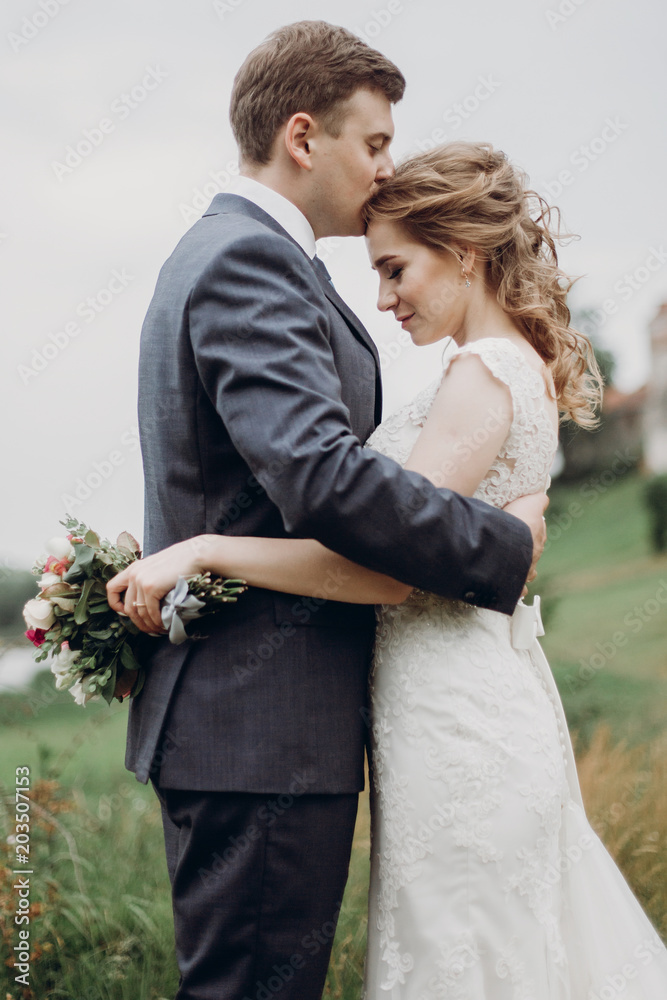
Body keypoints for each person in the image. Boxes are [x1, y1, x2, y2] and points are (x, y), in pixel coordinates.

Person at [111, 140, 667, 998]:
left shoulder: (483, 376)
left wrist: (208, 548)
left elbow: (383, 570)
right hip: (440, 712)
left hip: (459, 727)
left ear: (466, 253)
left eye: (396, 269)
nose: (384, 298)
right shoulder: (485, 368)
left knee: (467, 958)